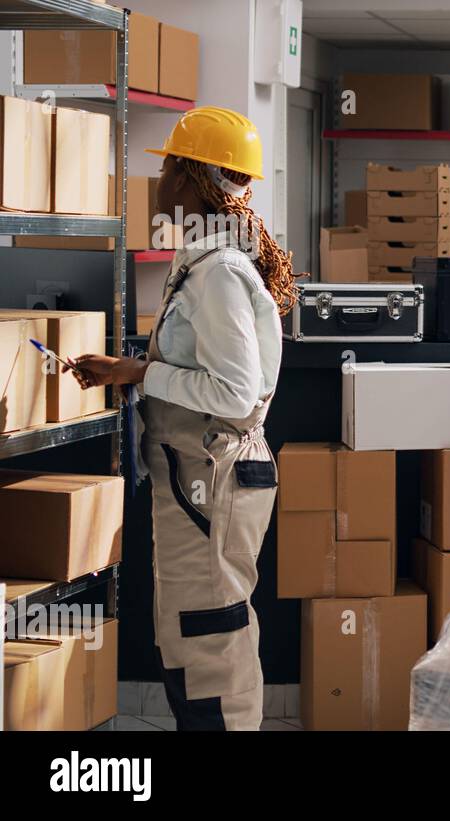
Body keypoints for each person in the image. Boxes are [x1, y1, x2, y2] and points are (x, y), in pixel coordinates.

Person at [71, 106, 296, 729]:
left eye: (169, 165)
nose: (161, 178)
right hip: (197, 474)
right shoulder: (203, 260)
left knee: (209, 639)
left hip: (212, 478)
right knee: (188, 636)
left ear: (195, 179)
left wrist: (139, 373)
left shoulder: (219, 272)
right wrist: (132, 372)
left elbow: (234, 392)